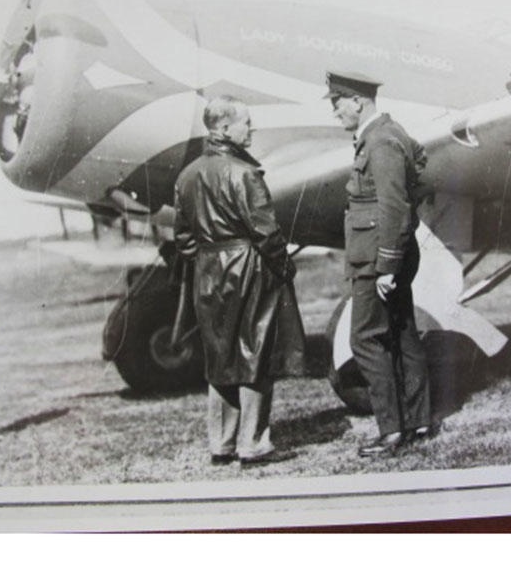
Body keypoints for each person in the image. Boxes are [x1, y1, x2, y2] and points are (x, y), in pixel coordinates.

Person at [173, 96, 305, 466]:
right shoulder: (245, 173)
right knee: (255, 354)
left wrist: (207, 262)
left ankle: (222, 443)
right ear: (225, 128)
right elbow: (266, 231)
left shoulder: (186, 176)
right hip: (249, 267)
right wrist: (284, 267)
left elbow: (182, 239)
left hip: (208, 273)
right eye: (246, 122)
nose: (252, 128)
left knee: (220, 357)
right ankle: (253, 443)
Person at [325, 71, 431, 458]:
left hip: (378, 255)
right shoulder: (388, 134)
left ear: (358, 101)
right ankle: (418, 420)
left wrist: (387, 265)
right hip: (387, 250)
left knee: (365, 339)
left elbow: (393, 205)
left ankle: (391, 431)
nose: (335, 111)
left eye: (338, 101)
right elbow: (418, 161)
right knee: (402, 333)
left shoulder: (381, 140)